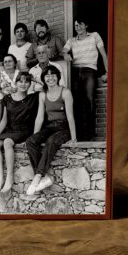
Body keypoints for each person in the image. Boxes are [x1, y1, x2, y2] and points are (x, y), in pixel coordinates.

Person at [25, 65, 77, 196]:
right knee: (31, 141)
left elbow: (70, 116)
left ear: (58, 77)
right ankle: (45, 177)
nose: (50, 78)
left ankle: (37, 177)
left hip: (63, 127)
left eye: (53, 75)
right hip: (50, 126)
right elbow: (39, 117)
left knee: (51, 141)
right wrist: (35, 136)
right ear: (44, 78)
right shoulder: (42, 94)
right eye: (47, 75)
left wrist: (74, 137)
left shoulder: (65, 92)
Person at [0, 72, 38, 194]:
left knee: (7, 142)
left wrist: (36, 80)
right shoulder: (8, 98)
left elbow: (46, 89)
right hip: (10, 129)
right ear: (15, 83)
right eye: (20, 81)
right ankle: (0, 179)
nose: (23, 84)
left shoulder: (33, 98)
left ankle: (9, 178)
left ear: (30, 84)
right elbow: (4, 120)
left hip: (24, 130)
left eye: (26, 81)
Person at [62, 17, 108, 140]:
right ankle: (79, 135)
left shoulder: (94, 36)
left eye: (80, 24)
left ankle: (90, 134)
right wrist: (66, 54)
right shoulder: (72, 40)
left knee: (89, 100)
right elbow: (64, 50)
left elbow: (103, 54)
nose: (78, 28)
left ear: (86, 25)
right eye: (76, 26)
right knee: (76, 102)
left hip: (89, 70)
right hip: (75, 72)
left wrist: (107, 72)